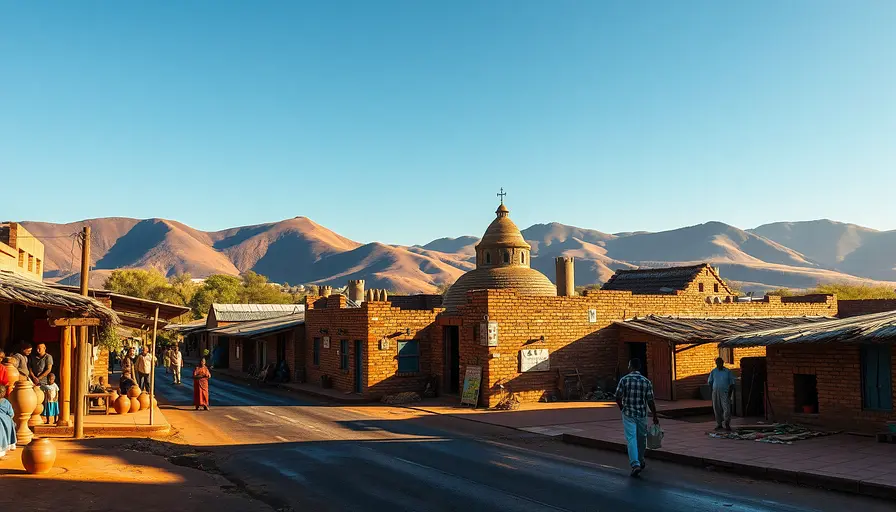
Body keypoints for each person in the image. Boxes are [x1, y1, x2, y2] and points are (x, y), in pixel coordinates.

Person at [615, 358, 659, 477]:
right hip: (641, 414)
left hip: (628, 414)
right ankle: (641, 459)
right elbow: (650, 401)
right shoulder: (646, 382)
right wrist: (655, 415)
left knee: (631, 439)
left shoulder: (624, 380)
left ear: (630, 367)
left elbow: (617, 397)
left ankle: (635, 464)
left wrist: (622, 408)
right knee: (641, 438)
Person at [708, 357, 737, 431]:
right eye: (717, 363)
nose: (718, 364)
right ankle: (719, 424)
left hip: (725, 392)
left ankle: (727, 423)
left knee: (726, 408)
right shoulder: (714, 371)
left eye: (720, 362)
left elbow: (732, 384)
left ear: (723, 363)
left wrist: (729, 394)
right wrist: (712, 392)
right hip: (715, 392)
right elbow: (710, 382)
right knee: (716, 408)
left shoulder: (727, 371)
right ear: (716, 363)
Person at [0, 384, 15, 458]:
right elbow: (11, 414)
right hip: (4, 420)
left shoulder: (7, 402)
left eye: (2, 392)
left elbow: (11, 414)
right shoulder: (6, 402)